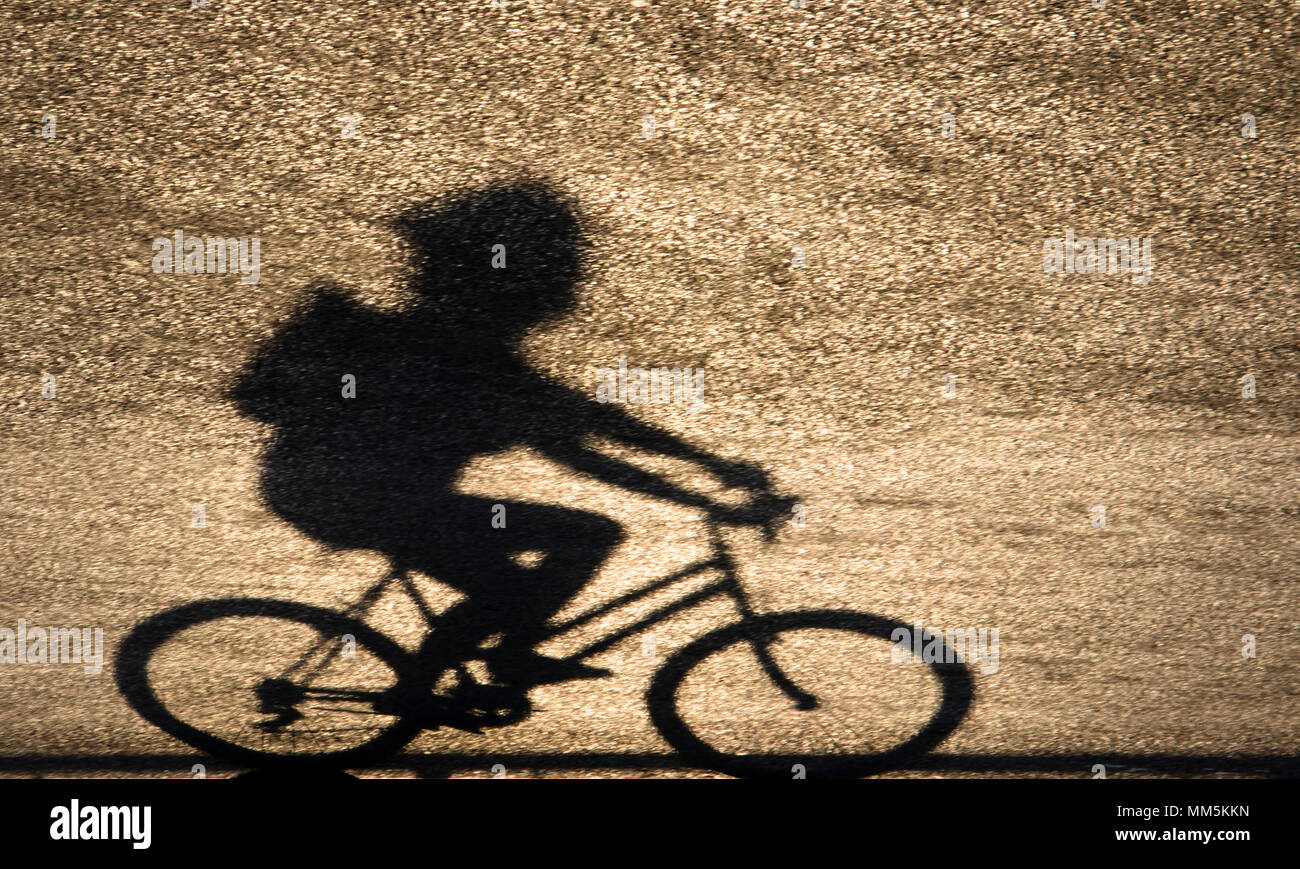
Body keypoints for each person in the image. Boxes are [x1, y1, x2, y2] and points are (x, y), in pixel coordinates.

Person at [230, 182, 776, 697]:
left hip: (345, 492)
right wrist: (709, 485)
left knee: (573, 544)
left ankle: (501, 655)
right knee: (539, 569)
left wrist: (709, 475)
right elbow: (584, 443)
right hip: (360, 500)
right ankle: (440, 682)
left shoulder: (464, 347)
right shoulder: (466, 356)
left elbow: (589, 430)